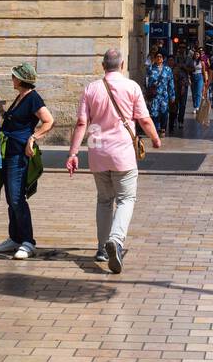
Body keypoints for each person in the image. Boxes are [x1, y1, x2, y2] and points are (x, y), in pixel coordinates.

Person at [67, 46, 161, 274]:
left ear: (102, 66)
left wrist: (73, 153)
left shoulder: (91, 88)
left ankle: (101, 248)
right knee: (127, 198)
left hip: (97, 153)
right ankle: (116, 241)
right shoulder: (132, 87)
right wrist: (155, 139)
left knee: (104, 200)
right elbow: (144, 119)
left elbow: (81, 123)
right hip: (123, 154)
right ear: (122, 65)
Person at [0, 63, 54, 260]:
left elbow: (49, 120)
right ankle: (15, 237)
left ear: (21, 79)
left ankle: (28, 241)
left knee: (18, 197)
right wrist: (0, 110)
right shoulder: (20, 97)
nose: (12, 78)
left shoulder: (33, 98)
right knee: (11, 196)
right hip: (8, 151)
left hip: (19, 153)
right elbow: (15, 121)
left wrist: (33, 138)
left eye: (14, 76)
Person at [144, 50, 174, 138]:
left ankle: (163, 128)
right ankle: (155, 129)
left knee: (164, 112)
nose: (159, 58)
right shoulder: (150, 68)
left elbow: (171, 83)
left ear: (163, 58)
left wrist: (172, 95)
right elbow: (146, 81)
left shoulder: (168, 69)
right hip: (155, 94)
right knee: (154, 112)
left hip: (164, 94)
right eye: (157, 57)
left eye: (160, 57)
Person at [168, 54, 190, 131]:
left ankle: (180, 120)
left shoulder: (177, 69)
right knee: (174, 107)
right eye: (169, 60)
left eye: (172, 60)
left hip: (179, 89)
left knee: (182, 105)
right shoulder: (166, 69)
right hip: (171, 91)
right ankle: (172, 122)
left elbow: (183, 78)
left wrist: (183, 87)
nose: (170, 62)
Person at [190, 47, 207, 115]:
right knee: (194, 93)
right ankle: (195, 106)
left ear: (199, 55)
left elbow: (203, 71)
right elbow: (189, 70)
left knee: (198, 93)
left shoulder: (202, 62)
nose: (196, 55)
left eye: (197, 54)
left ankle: (197, 107)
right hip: (193, 77)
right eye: (195, 54)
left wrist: (205, 81)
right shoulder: (191, 61)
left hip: (200, 77)